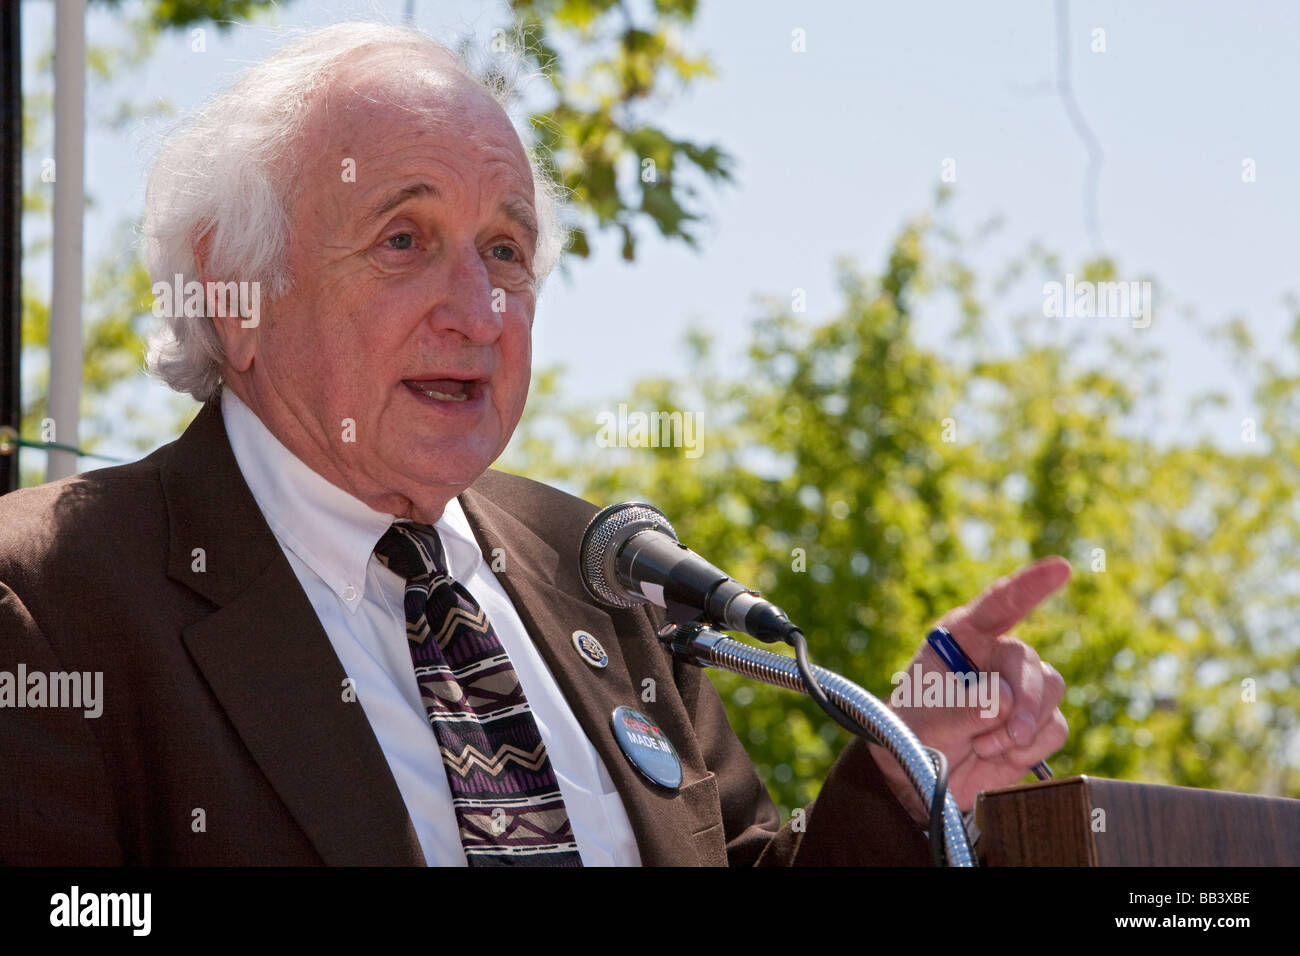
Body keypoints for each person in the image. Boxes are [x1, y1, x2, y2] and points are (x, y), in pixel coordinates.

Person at [0, 22, 1068, 866]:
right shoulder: (49, 600)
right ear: (234, 290)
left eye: (504, 248)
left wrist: (896, 776)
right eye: (404, 238)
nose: (479, 310)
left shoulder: (607, 570)